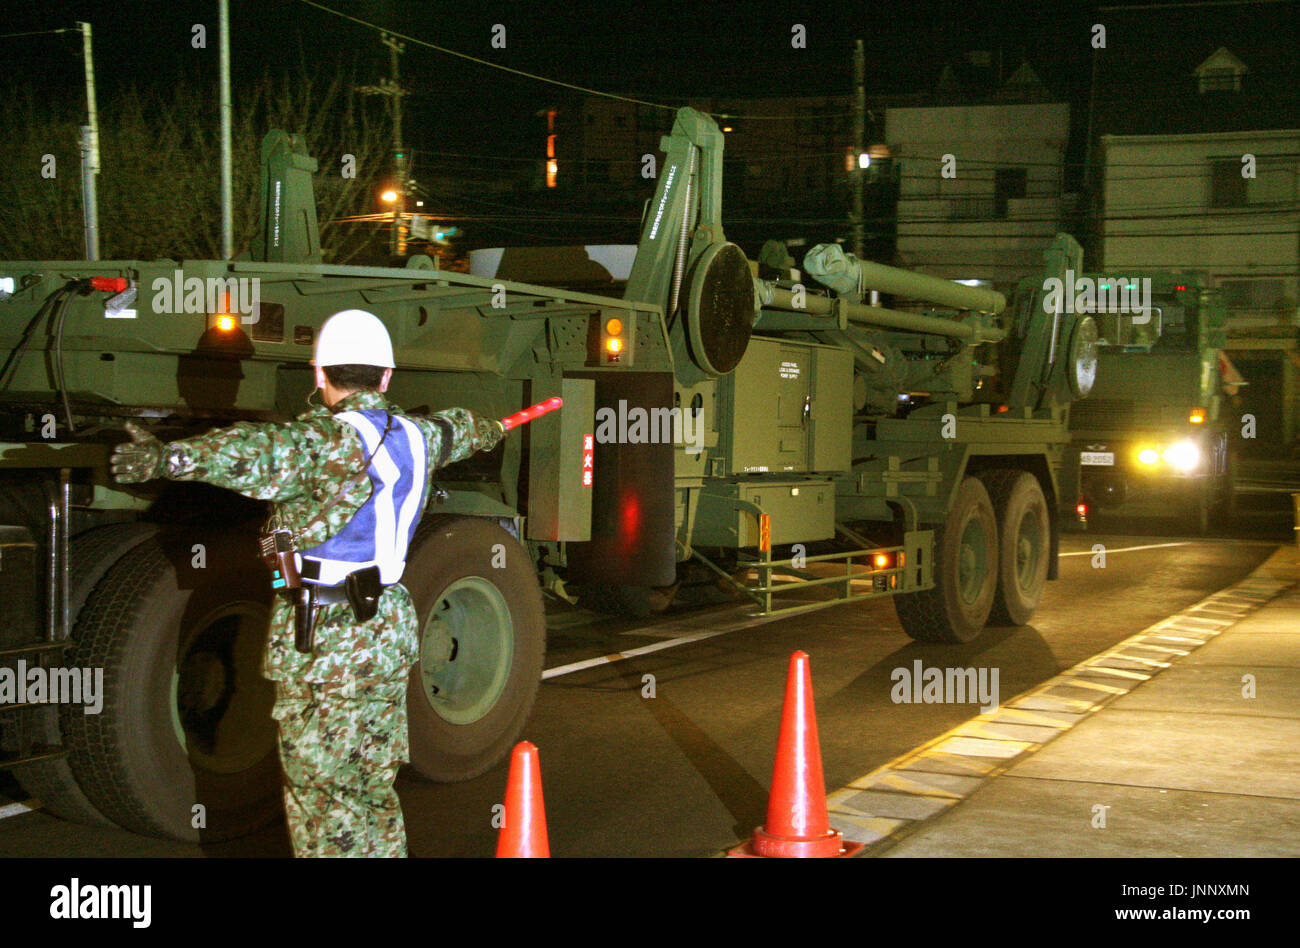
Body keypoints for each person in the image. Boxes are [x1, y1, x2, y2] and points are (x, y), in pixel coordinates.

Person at [110, 308, 504, 857]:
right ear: (387, 377)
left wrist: (165, 457)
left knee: (322, 799)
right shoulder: (420, 438)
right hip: (385, 629)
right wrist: (491, 428)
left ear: (319, 376)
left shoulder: (320, 444)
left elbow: (249, 452)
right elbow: (462, 428)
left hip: (327, 639)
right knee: (370, 787)